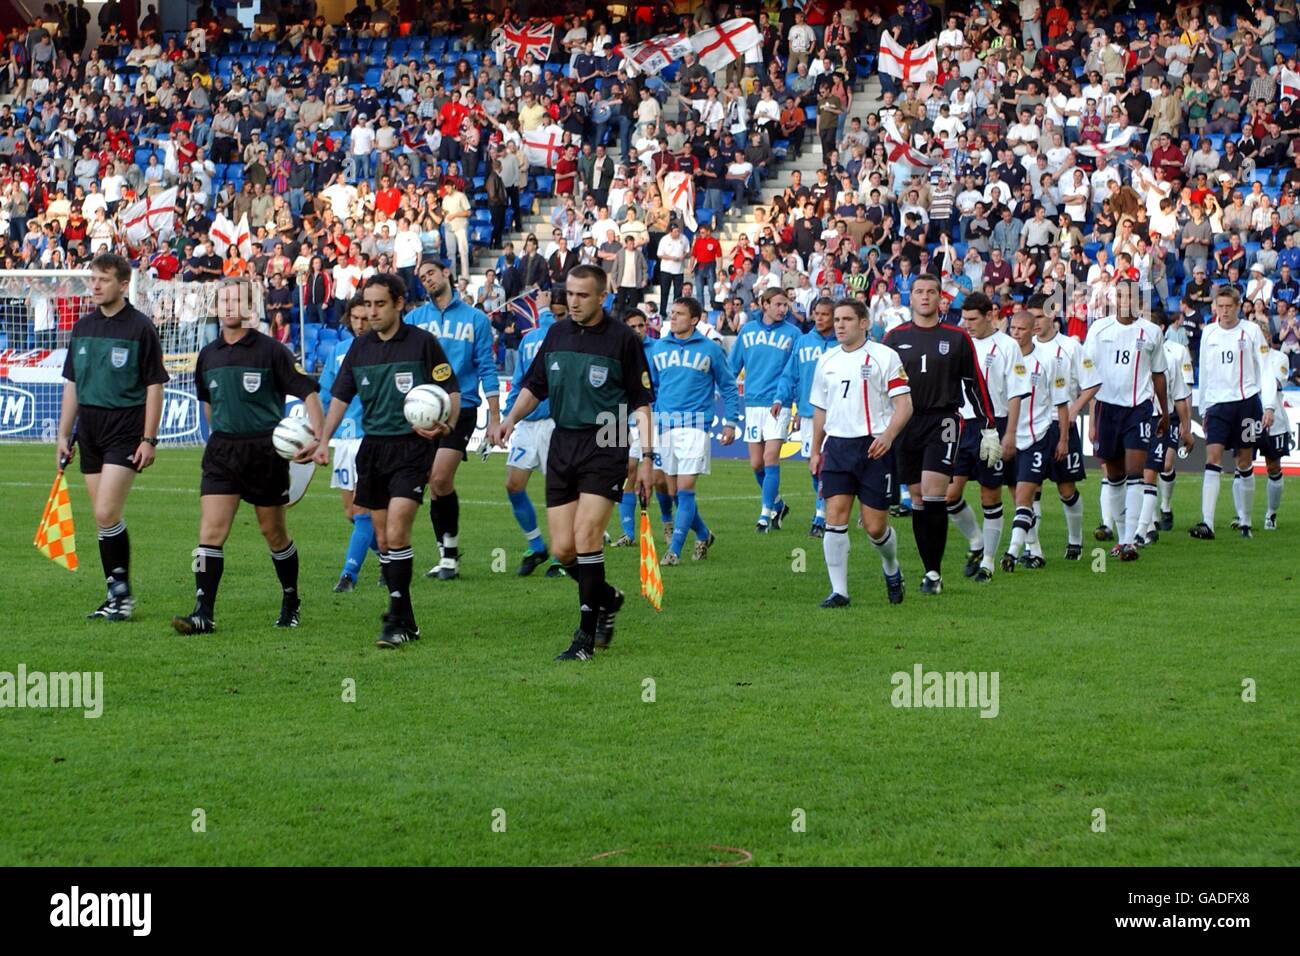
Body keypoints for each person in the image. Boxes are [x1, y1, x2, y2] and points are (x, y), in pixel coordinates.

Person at [488, 265, 655, 662]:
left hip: (607, 435)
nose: (573, 301)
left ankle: (584, 637)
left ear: (602, 297)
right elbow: (534, 385)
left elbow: (643, 404)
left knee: (586, 539)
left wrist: (647, 457)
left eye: (583, 295)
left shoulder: (623, 341)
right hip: (563, 439)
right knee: (563, 551)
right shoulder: (557, 334)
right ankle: (608, 598)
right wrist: (511, 417)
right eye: (570, 294)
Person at [312, 274, 461, 649]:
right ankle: (406, 617)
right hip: (372, 450)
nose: (372, 311)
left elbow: (452, 390)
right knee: (383, 537)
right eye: (367, 304)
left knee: (397, 532)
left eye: (380, 304)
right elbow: (340, 399)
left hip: (411, 449)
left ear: (399, 304)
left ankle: (394, 620)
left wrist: (447, 424)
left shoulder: (422, 344)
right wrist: (323, 440)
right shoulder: (359, 350)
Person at [172, 280, 323, 634]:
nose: (228, 306)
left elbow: (309, 394)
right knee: (210, 531)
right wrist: (225, 435)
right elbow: (208, 406)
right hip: (222, 452)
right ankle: (203, 612)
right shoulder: (208, 355)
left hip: (265, 453)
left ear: (249, 307)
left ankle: (291, 599)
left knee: (273, 533)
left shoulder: (272, 352)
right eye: (223, 300)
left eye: (235, 300)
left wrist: (317, 438)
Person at [57, 253, 169, 622]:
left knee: (106, 511)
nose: (95, 285)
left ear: (123, 285)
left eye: (103, 279)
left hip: (125, 428)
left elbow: (155, 386)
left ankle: (120, 594)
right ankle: (115, 595)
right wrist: (63, 434)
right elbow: (73, 383)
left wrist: (149, 438)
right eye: (93, 279)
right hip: (88, 430)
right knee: (104, 518)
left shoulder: (140, 328)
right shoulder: (83, 326)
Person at [884, 274, 1000, 595]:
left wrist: (989, 426)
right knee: (918, 497)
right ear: (911, 298)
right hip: (906, 422)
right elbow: (879, 386)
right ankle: (929, 569)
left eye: (931, 292)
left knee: (935, 494)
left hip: (944, 420)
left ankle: (934, 575)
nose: (924, 297)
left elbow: (974, 383)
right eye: (918, 292)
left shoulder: (957, 336)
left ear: (941, 298)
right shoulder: (894, 338)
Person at [809, 298, 913, 608]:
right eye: (837, 320)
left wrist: (888, 435)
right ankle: (839, 591)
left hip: (874, 447)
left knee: (874, 527)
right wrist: (815, 449)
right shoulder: (826, 360)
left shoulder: (885, 357)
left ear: (864, 323)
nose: (839, 325)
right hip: (838, 447)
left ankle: (892, 568)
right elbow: (820, 409)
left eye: (846, 320)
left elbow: (905, 405)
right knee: (835, 516)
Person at [408, 258, 500, 580]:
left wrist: (495, 418)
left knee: (439, 478)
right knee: (433, 485)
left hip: (462, 407)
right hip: (422, 410)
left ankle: (449, 556)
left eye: (431, 273)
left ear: (447, 273)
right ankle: (447, 556)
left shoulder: (476, 319)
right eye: (422, 277)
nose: (427, 280)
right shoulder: (414, 319)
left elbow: (487, 369)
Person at [1070, 280, 1170, 561]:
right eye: (1121, 295)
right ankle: (1122, 535)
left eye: (1131, 296)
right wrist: (1090, 418)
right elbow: (1089, 376)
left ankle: (1129, 541)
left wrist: (1163, 411)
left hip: (1138, 409)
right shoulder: (1099, 329)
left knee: (1135, 473)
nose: (1126, 300)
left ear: (1139, 300)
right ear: (1114, 299)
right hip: (1105, 409)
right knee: (1114, 477)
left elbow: (1159, 374)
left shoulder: (1151, 332)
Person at [650, 297, 740, 565]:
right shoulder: (658, 347)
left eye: (678, 314)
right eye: (671, 313)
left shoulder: (711, 349)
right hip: (664, 425)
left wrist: (730, 422)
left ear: (694, 319)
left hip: (696, 425)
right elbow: (651, 388)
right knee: (673, 491)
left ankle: (674, 551)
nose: (672, 318)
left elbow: (728, 386)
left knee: (686, 488)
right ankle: (703, 533)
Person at [1188, 286, 1274, 540]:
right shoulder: (1209, 334)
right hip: (1217, 406)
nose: (1224, 311)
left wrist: (1268, 404)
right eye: (1220, 306)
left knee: (1244, 461)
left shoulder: (1251, 331)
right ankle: (1208, 523)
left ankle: (1245, 521)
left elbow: (1266, 368)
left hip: (1246, 403)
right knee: (1212, 457)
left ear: (1238, 307)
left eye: (1229, 307)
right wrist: (1203, 408)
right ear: (1215, 306)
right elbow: (1203, 372)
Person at [948, 292, 1020, 582]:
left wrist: (1010, 433)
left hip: (993, 423)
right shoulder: (956, 342)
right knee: (948, 496)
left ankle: (988, 562)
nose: (967, 325)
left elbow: (1016, 392)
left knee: (989, 494)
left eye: (972, 319)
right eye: (963, 319)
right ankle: (976, 542)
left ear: (990, 315)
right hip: (959, 424)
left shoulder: (1007, 346)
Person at [998, 311, 1069, 571]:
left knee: (1025, 496)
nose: (1015, 333)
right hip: (1008, 437)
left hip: (1037, 435)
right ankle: (1036, 551)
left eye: (1020, 329)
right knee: (1018, 499)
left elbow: (1061, 403)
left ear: (1032, 331)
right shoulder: (1002, 358)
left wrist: (1063, 439)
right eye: (1012, 328)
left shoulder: (1048, 362)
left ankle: (1012, 552)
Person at [319, 297, 378, 592]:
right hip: (344, 440)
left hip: (372, 439)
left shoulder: (382, 350)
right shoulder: (339, 353)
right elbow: (326, 395)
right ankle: (390, 557)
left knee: (363, 511)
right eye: (354, 318)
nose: (359, 324)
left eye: (363, 317)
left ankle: (348, 575)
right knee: (351, 513)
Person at [729, 287, 800, 532]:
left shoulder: (794, 334)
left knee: (770, 458)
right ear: (764, 304)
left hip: (778, 404)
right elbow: (732, 366)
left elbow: (797, 373)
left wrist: (797, 404)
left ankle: (764, 515)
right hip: (752, 404)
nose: (783, 309)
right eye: (778, 304)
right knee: (756, 464)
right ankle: (778, 504)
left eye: (786, 305)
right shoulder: (747, 331)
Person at [502, 290, 563, 576]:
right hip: (527, 424)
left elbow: (552, 333)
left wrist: (546, 310)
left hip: (556, 423)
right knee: (513, 485)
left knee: (560, 492)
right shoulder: (527, 339)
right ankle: (537, 545)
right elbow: (519, 381)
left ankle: (563, 556)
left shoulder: (562, 333)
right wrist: (506, 418)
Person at [1027, 293, 1088, 560]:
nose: (1035, 323)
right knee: (1031, 490)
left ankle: (1075, 541)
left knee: (1066, 489)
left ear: (1052, 314)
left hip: (1061, 424)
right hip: (1031, 428)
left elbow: (1092, 382)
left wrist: (1074, 410)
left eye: (1039, 316)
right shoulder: (1023, 348)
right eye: (1031, 318)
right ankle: (1032, 549)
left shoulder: (1071, 347)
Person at [774, 297, 837, 537]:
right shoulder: (802, 343)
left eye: (825, 314)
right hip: (810, 414)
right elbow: (790, 375)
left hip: (838, 415)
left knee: (827, 466)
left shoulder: (842, 344)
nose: (819, 318)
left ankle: (821, 516)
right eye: (816, 314)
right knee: (815, 469)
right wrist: (781, 399)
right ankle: (827, 506)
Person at [1136, 310, 1195, 544]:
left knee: (1165, 464)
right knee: (1143, 472)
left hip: (1166, 416)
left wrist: (1186, 424)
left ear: (1159, 328)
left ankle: (1165, 506)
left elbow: (1184, 390)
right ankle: (1147, 525)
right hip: (1139, 418)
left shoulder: (1177, 353)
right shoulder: (1136, 352)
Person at [1260, 348, 1293, 530]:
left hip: (1275, 420)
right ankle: (1242, 516)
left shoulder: (1280, 358)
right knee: (1242, 464)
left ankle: (1271, 513)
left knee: (1273, 467)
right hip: (1247, 416)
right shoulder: (1243, 356)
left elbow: (1276, 382)